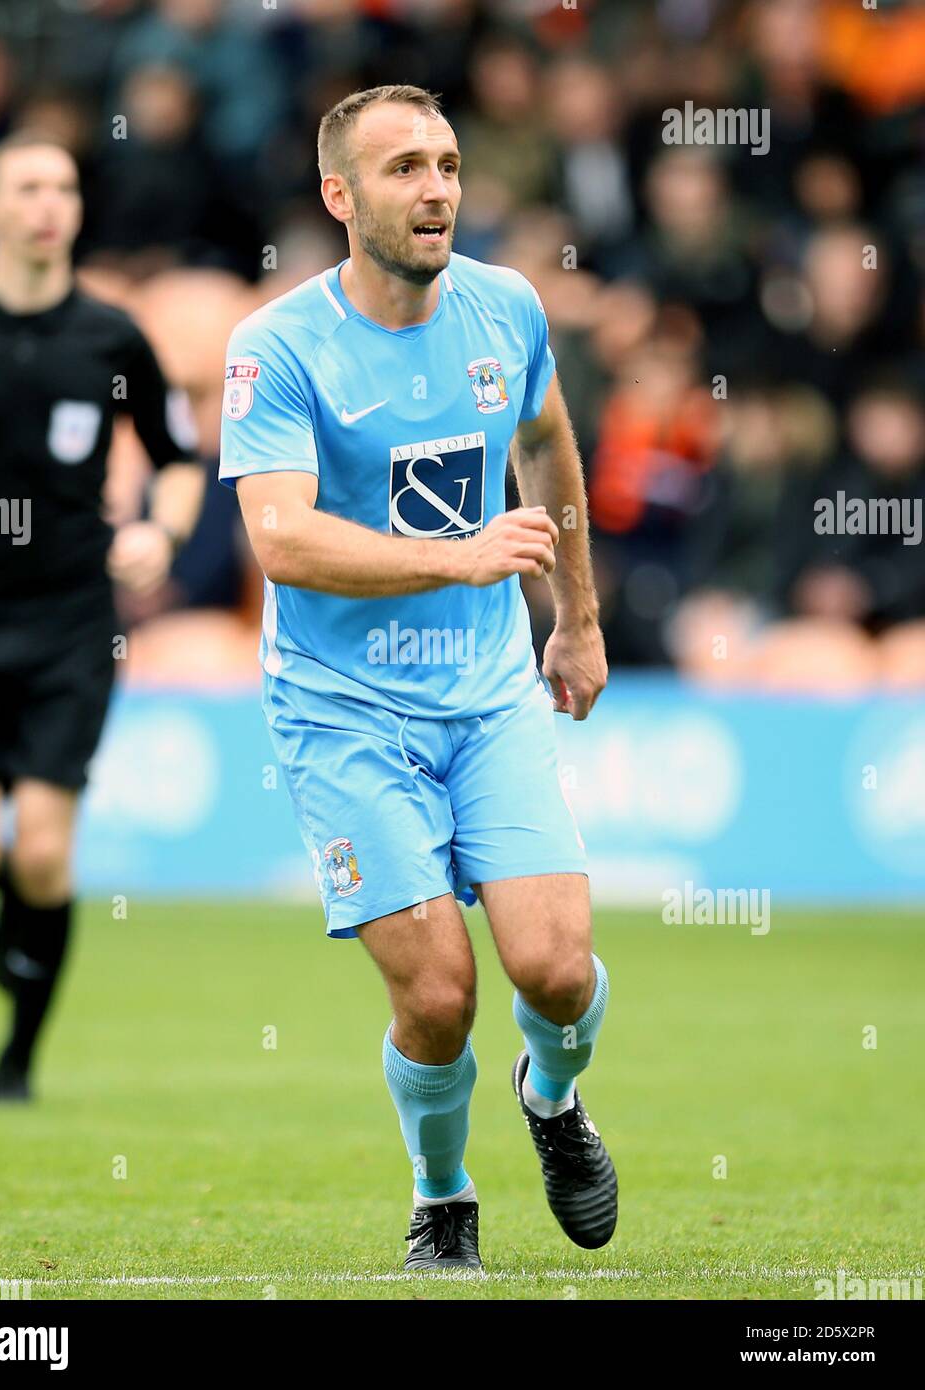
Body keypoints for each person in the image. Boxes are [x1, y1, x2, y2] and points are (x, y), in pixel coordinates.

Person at [220, 86, 615, 1271]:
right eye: (403, 169)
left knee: (553, 969)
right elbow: (281, 540)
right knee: (439, 993)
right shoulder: (278, 345)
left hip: (489, 695)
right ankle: (442, 1195)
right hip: (342, 712)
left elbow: (546, 442)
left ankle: (550, 1098)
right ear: (341, 196)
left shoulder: (506, 309)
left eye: (446, 164)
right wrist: (461, 555)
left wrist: (577, 620)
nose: (437, 187)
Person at [0, 132, 204, 1102]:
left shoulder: (113, 337)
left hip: (73, 621)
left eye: (66, 188)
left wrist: (158, 535)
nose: (50, 204)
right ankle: (20, 927)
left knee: (41, 848)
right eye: (28, 188)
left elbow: (176, 458)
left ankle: (17, 1059)